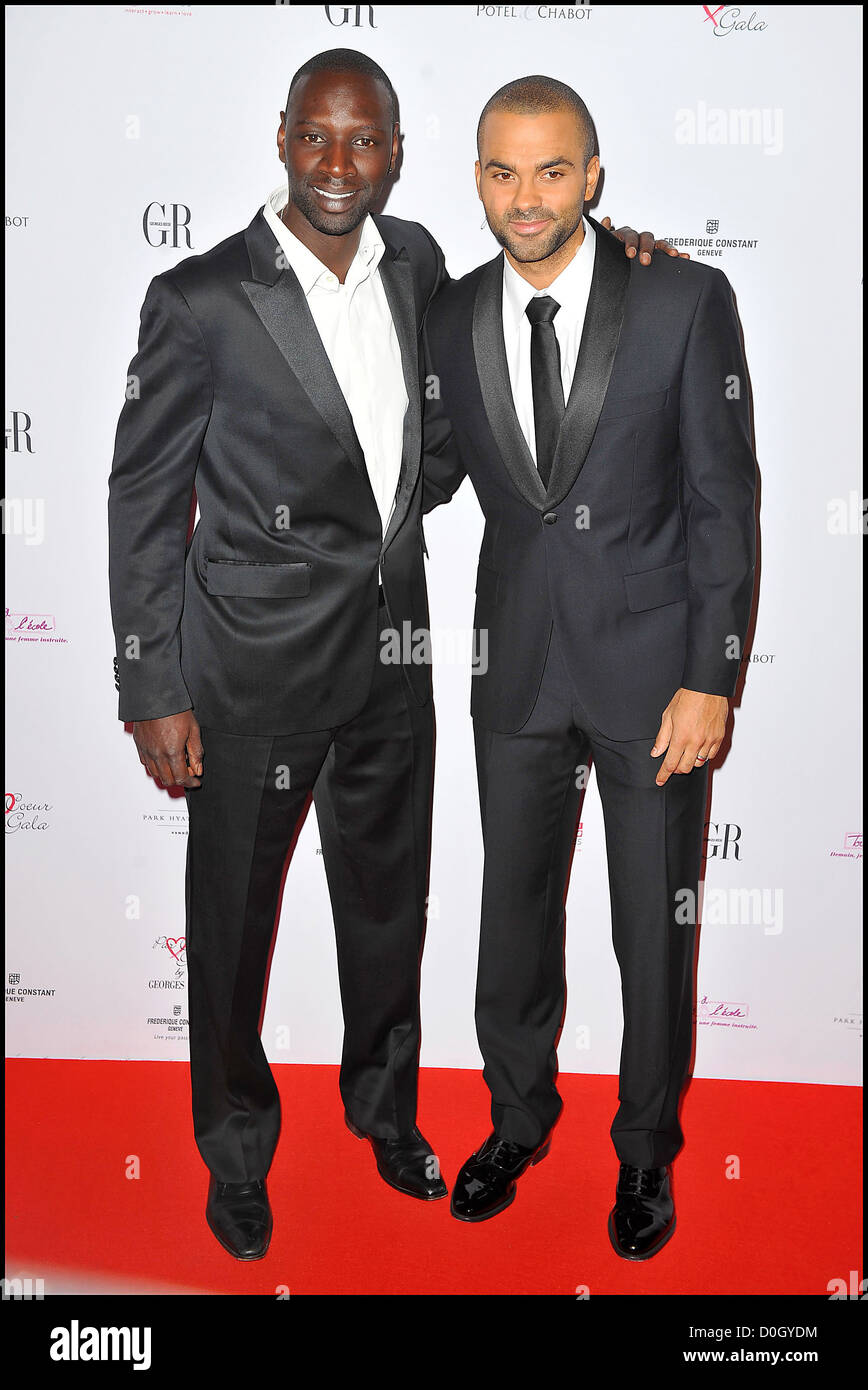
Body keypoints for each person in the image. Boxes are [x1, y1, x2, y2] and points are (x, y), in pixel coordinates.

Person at [108, 48, 675, 1262]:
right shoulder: (201, 297)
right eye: (316, 137)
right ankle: (236, 1151)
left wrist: (627, 248)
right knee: (232, 927)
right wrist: (151, 682)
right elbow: (143, 502)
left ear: (398, 154)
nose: (336, 164)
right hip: (248, 676)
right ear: (279, 139)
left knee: (384, 916)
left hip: (392, 659)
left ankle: (385, 1116)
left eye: (363, 141)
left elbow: (534, 287)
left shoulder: (418, 262)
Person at [421, 75, 757, 1260]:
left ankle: (646, 1152)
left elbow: (724, 501)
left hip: (654, 681)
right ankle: (516, 1120)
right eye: (502, 171)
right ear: (475, 178)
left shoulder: (682, 301)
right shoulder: (449, 314)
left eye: (552, 171)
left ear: (594, 176)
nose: (527, 197)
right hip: (514, 671)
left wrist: (711, 675)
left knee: (649, 932)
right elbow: (423, 471)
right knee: (511, 922)